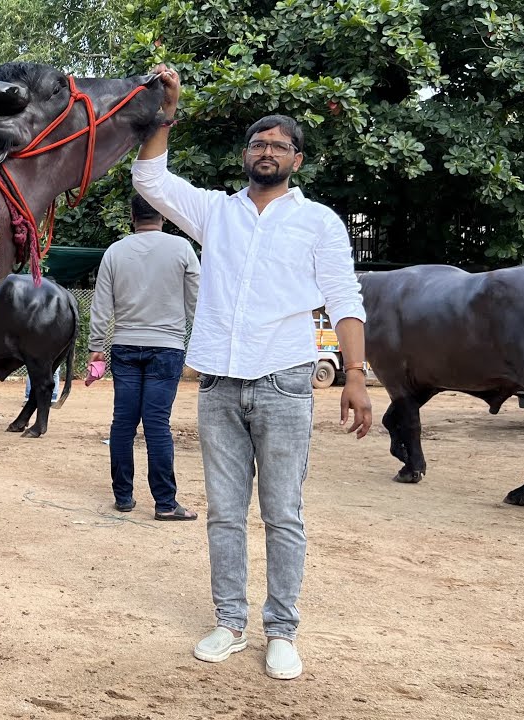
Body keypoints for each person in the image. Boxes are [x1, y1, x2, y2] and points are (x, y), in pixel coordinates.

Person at [131, 65, 373, 681]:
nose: (266, 152)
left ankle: (282, 629)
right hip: (217, 383)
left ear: (297, 159)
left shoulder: (318, 221)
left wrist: (353, 375)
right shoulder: (217, 213)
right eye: (257, 144)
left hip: (286, 380)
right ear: (246, 155)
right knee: (223, 511)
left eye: (279, 145)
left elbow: (345, 299)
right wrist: (168, 107)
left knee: (284, 513)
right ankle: (230, 621)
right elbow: (150, 177)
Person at [88, 194, 201, 521]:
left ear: (132, 216)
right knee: (157, 425)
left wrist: (96, 347)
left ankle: (123, 497)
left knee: (123, 423)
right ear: (163, 215)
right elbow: (197, 303)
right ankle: (165, 504)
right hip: (167, 349)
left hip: (124, 347)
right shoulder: (181, 250)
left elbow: (101, 306)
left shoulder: (114, 252)